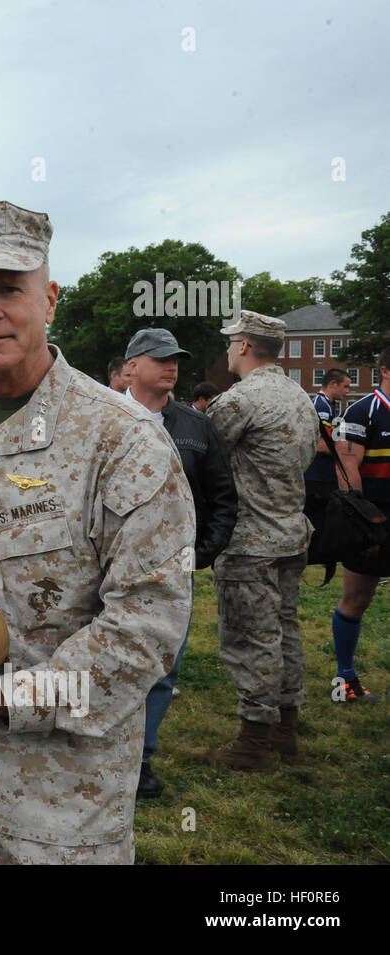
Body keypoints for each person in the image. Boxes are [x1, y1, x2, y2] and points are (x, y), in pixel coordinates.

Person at [0, 200, 195, 864]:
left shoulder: (122, 439)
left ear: (49, 298)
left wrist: (8, 695)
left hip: (56, 806)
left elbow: (149, 627)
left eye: (8, 289)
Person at [200, 311, 319, 769]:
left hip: (250, 539)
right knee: (286, 631)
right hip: (290, 532)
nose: (228, 350)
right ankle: (285, 731)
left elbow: (208, 456)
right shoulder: (298, 396)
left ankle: (253, 743)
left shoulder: (241, 400)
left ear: (245, 346)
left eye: (231, 343)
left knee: (252, 638)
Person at [122, 328, 238, 798]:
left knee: (163, 669)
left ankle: (142, 759)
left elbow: (224, 495)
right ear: (131, 366)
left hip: (174, 573)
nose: (171, 366)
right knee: (105, 661)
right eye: (159, 358)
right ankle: (99, 749)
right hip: (110, 570)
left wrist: (201, 553)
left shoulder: (196, 425)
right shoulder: (97, 417)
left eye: (176, 359)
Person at [327, 348, 390, 703]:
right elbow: (346, 468)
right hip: (374, 520)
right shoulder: (363, 411)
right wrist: (364, 524)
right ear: (385, 371)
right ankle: (345, 678)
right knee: (357, 598)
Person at [302, 369, 351, 529]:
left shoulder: (329, 405)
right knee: (319, 523)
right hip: (317, 476)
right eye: (345, 386)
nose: (348, 391)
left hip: (323, 475)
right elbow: (321, 444)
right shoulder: (321, 406)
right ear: (333, 384)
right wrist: (346, 458)